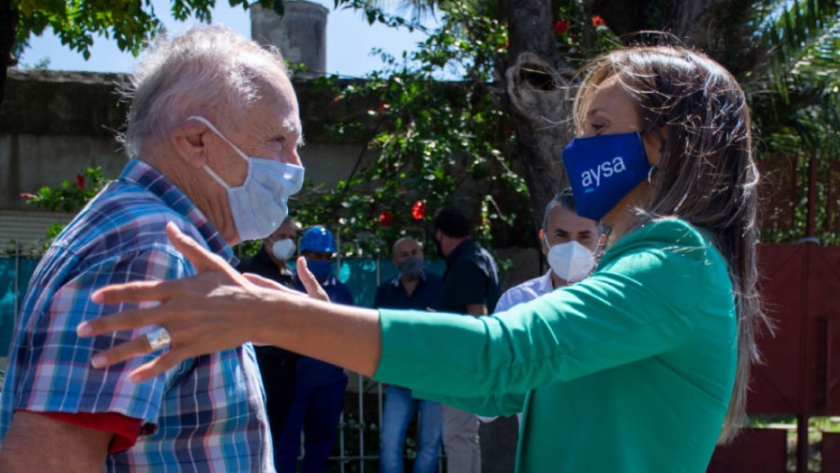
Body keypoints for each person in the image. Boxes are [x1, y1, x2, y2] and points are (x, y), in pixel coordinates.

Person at [78, 44, 770, 472]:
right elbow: (503, 386)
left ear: (664, 145)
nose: (577, 148)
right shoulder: (657, 268)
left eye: (598, 127)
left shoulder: (677, 259)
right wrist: (323, 322)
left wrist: (270, 312)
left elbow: (503, 355)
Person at [0, 25, 307, 471]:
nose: (294, 167)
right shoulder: (150, 251)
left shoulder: (153, 239)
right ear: (196, 141)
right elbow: (47, 459)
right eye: (279, 140)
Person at [479, 188, 605, 426]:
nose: (572, 246)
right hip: (543, 456)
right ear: (544, 241)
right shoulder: (516, 304)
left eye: (584, 236)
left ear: (601, 244)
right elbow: (488, 403)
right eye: (561, 235)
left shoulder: (617, 305)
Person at [274, 225, 352, 473]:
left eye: (327, 257)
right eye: (316, 256)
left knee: (321, 445)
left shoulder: (342, 292)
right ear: (304, 255)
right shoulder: (289, 286)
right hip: (294, 381)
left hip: (330, 381)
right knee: (285, 444)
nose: (322, 261)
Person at [429, 207, 500, 473]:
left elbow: (477, 316)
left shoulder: (467, 263)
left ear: (441, 234)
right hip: (475, 361)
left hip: (463, 364)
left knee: (457, 437)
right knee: (467, 436)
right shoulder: (480, 257)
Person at [374, 237, 443, 473]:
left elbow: (450, 331)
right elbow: (378, 333)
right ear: (394, 261)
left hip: (432, 379)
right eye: (404, 254)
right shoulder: (385, 292)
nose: (410, 257)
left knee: (430, 444)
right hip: (398, 380)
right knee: (390, 442)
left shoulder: (439, 286)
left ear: (423, 255)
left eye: (415, 252)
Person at [236, 216, 299, 472]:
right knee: (254, 436)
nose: (288, 243)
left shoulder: (289, 274)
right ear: (266, 239)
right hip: (260, 367)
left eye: (291, 237)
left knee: (278, 437)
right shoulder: (249, 271)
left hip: (287, 369)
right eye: (282, 237)